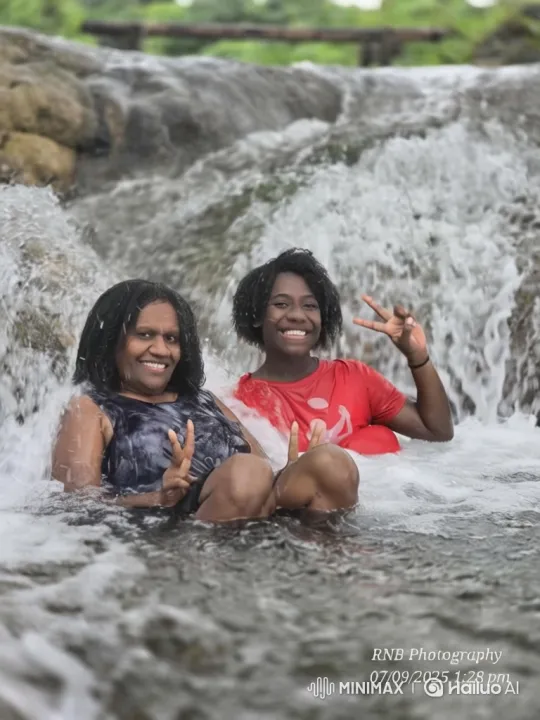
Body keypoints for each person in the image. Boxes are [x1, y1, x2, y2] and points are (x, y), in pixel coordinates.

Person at [52, 279, 279, 522]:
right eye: (144, 335)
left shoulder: (205, 400)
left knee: (322, 461)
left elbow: (266, 468)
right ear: (110, 340)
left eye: (172, 338)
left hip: (253, 530)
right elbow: (75, 507)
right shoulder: (89, 409)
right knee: (247, 473)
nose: (161, 350)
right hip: (166, 539)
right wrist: (158, 499)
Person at [231, 248, 454, 473]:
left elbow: (437, 431)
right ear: (256, 315)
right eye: (281, 304)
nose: (297, 315)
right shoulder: (238, 405)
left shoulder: (354, 378)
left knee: (378, 438)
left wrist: (418, 357)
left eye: (310, 306)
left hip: (385, 501)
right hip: (300, 506)